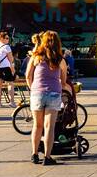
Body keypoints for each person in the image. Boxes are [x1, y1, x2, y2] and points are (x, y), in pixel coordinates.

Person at [26, 31, 69, 166]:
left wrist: (33, 88)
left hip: (37, 93)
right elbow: (63, 80)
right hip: (54, 93)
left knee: (37, 125)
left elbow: (28, 75)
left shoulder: (36, 57)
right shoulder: (60, 60)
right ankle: (47, 157)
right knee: (49, 127)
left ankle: (34, 154)